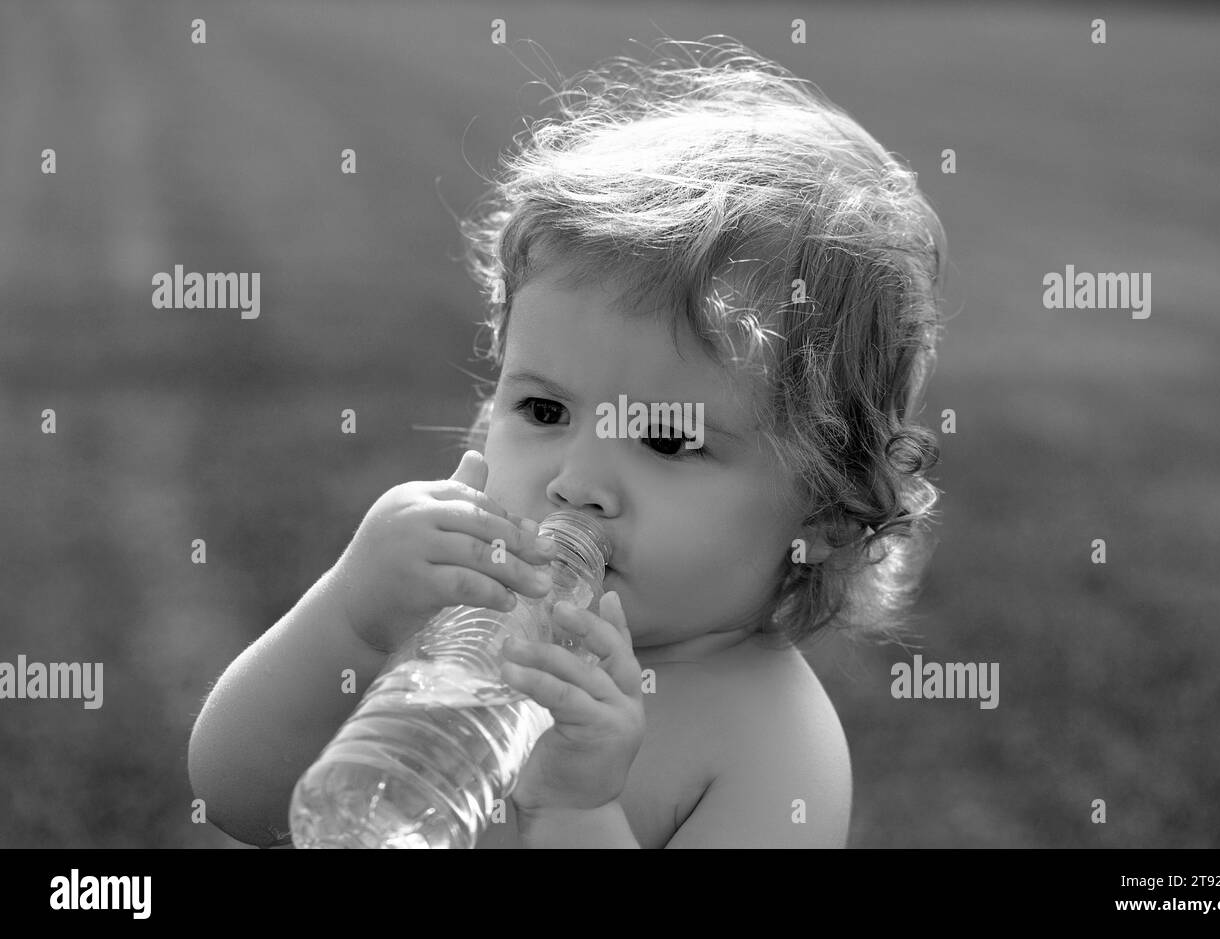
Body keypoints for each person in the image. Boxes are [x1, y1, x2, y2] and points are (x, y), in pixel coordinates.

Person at [188, 35, 946, 849]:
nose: (577, 482)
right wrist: (351, 615)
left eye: (664, 439)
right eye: (546, 412)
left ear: (823, 516)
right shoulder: (461, 620)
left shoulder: (773, 743)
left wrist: (575, 811)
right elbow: (239, 793)